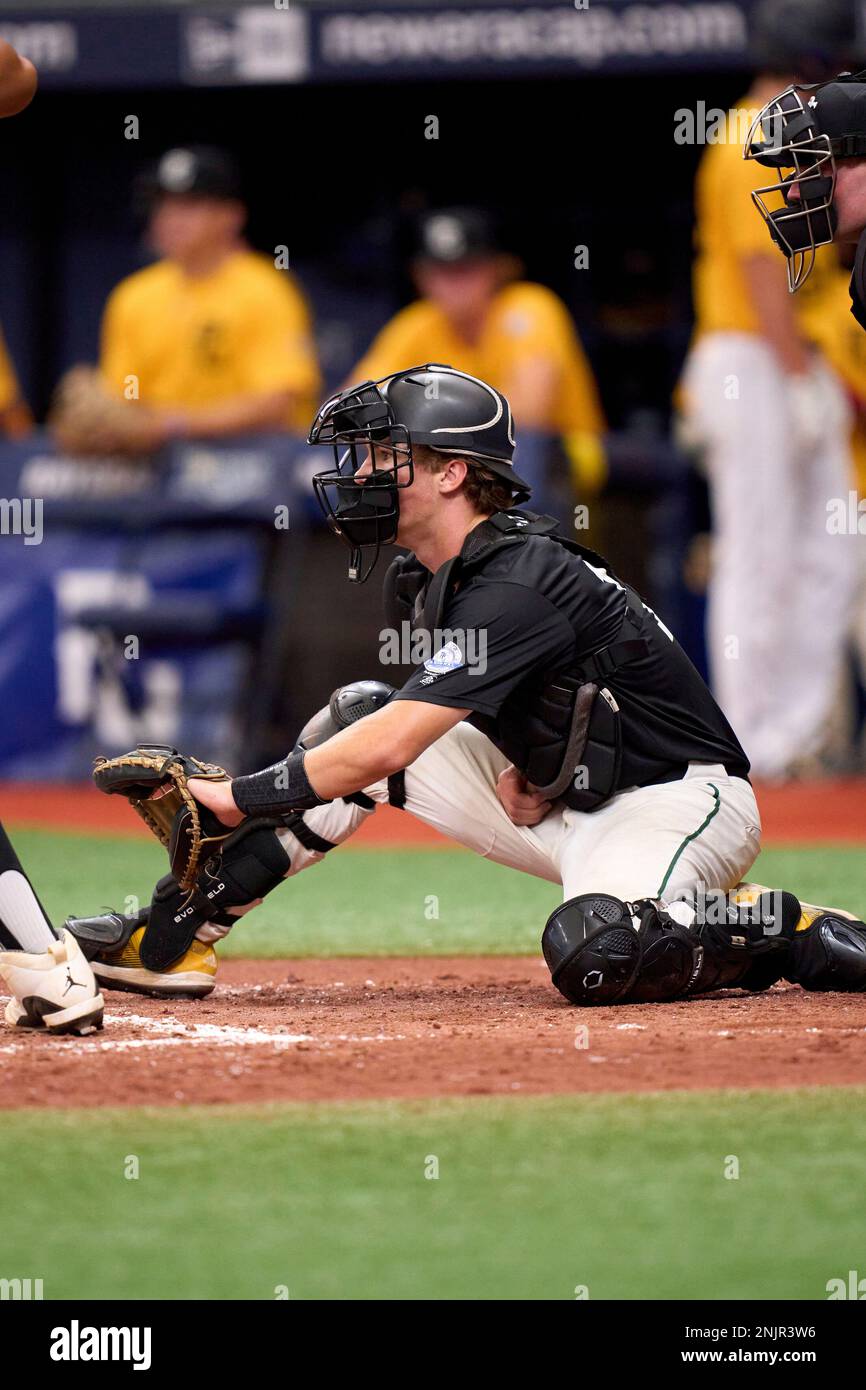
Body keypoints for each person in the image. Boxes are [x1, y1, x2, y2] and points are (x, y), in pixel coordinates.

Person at [64, 365, 866, 1007]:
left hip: (677, 802)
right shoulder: (426, 578)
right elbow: (447, 717)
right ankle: (174, 937)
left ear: (452, 472)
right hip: (572, 803)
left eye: (385, 455)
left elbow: (398, 742)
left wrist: (236, 797)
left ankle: (775, 924)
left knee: (597, 950)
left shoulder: (521, 576)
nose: (362, 472)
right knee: (355, 719)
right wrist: (525, 758)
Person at [679, 0, 859, 779]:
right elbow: (761, 270)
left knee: (837, 549)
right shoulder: (754, 131)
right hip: (750, 358)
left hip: (792, 357)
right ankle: (750, 740)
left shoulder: (800, 130)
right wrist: (794, 376)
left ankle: (791, 734)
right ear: (810, 61)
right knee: (758, 553)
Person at [353, 207, 605, 509]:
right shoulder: (417, 323)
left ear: (496, 269)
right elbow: (353, 404)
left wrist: (419, 420)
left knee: (512, 450)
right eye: (441, 272)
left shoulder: (529, 306)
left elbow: (531, 410)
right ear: (421, 277)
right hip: (461, 456)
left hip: (560, 454)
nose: (454, 284)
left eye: (467, 269)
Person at [93, 145, 321, 448]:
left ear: (231, 216)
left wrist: (170, 425)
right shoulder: (133, 296)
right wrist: (106, 422)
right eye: (163, 205)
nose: (171, 219)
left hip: (256, 459)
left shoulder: (266, 289)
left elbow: (278, 402)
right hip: (159, 461)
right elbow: (122, 399)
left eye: (190, 205)